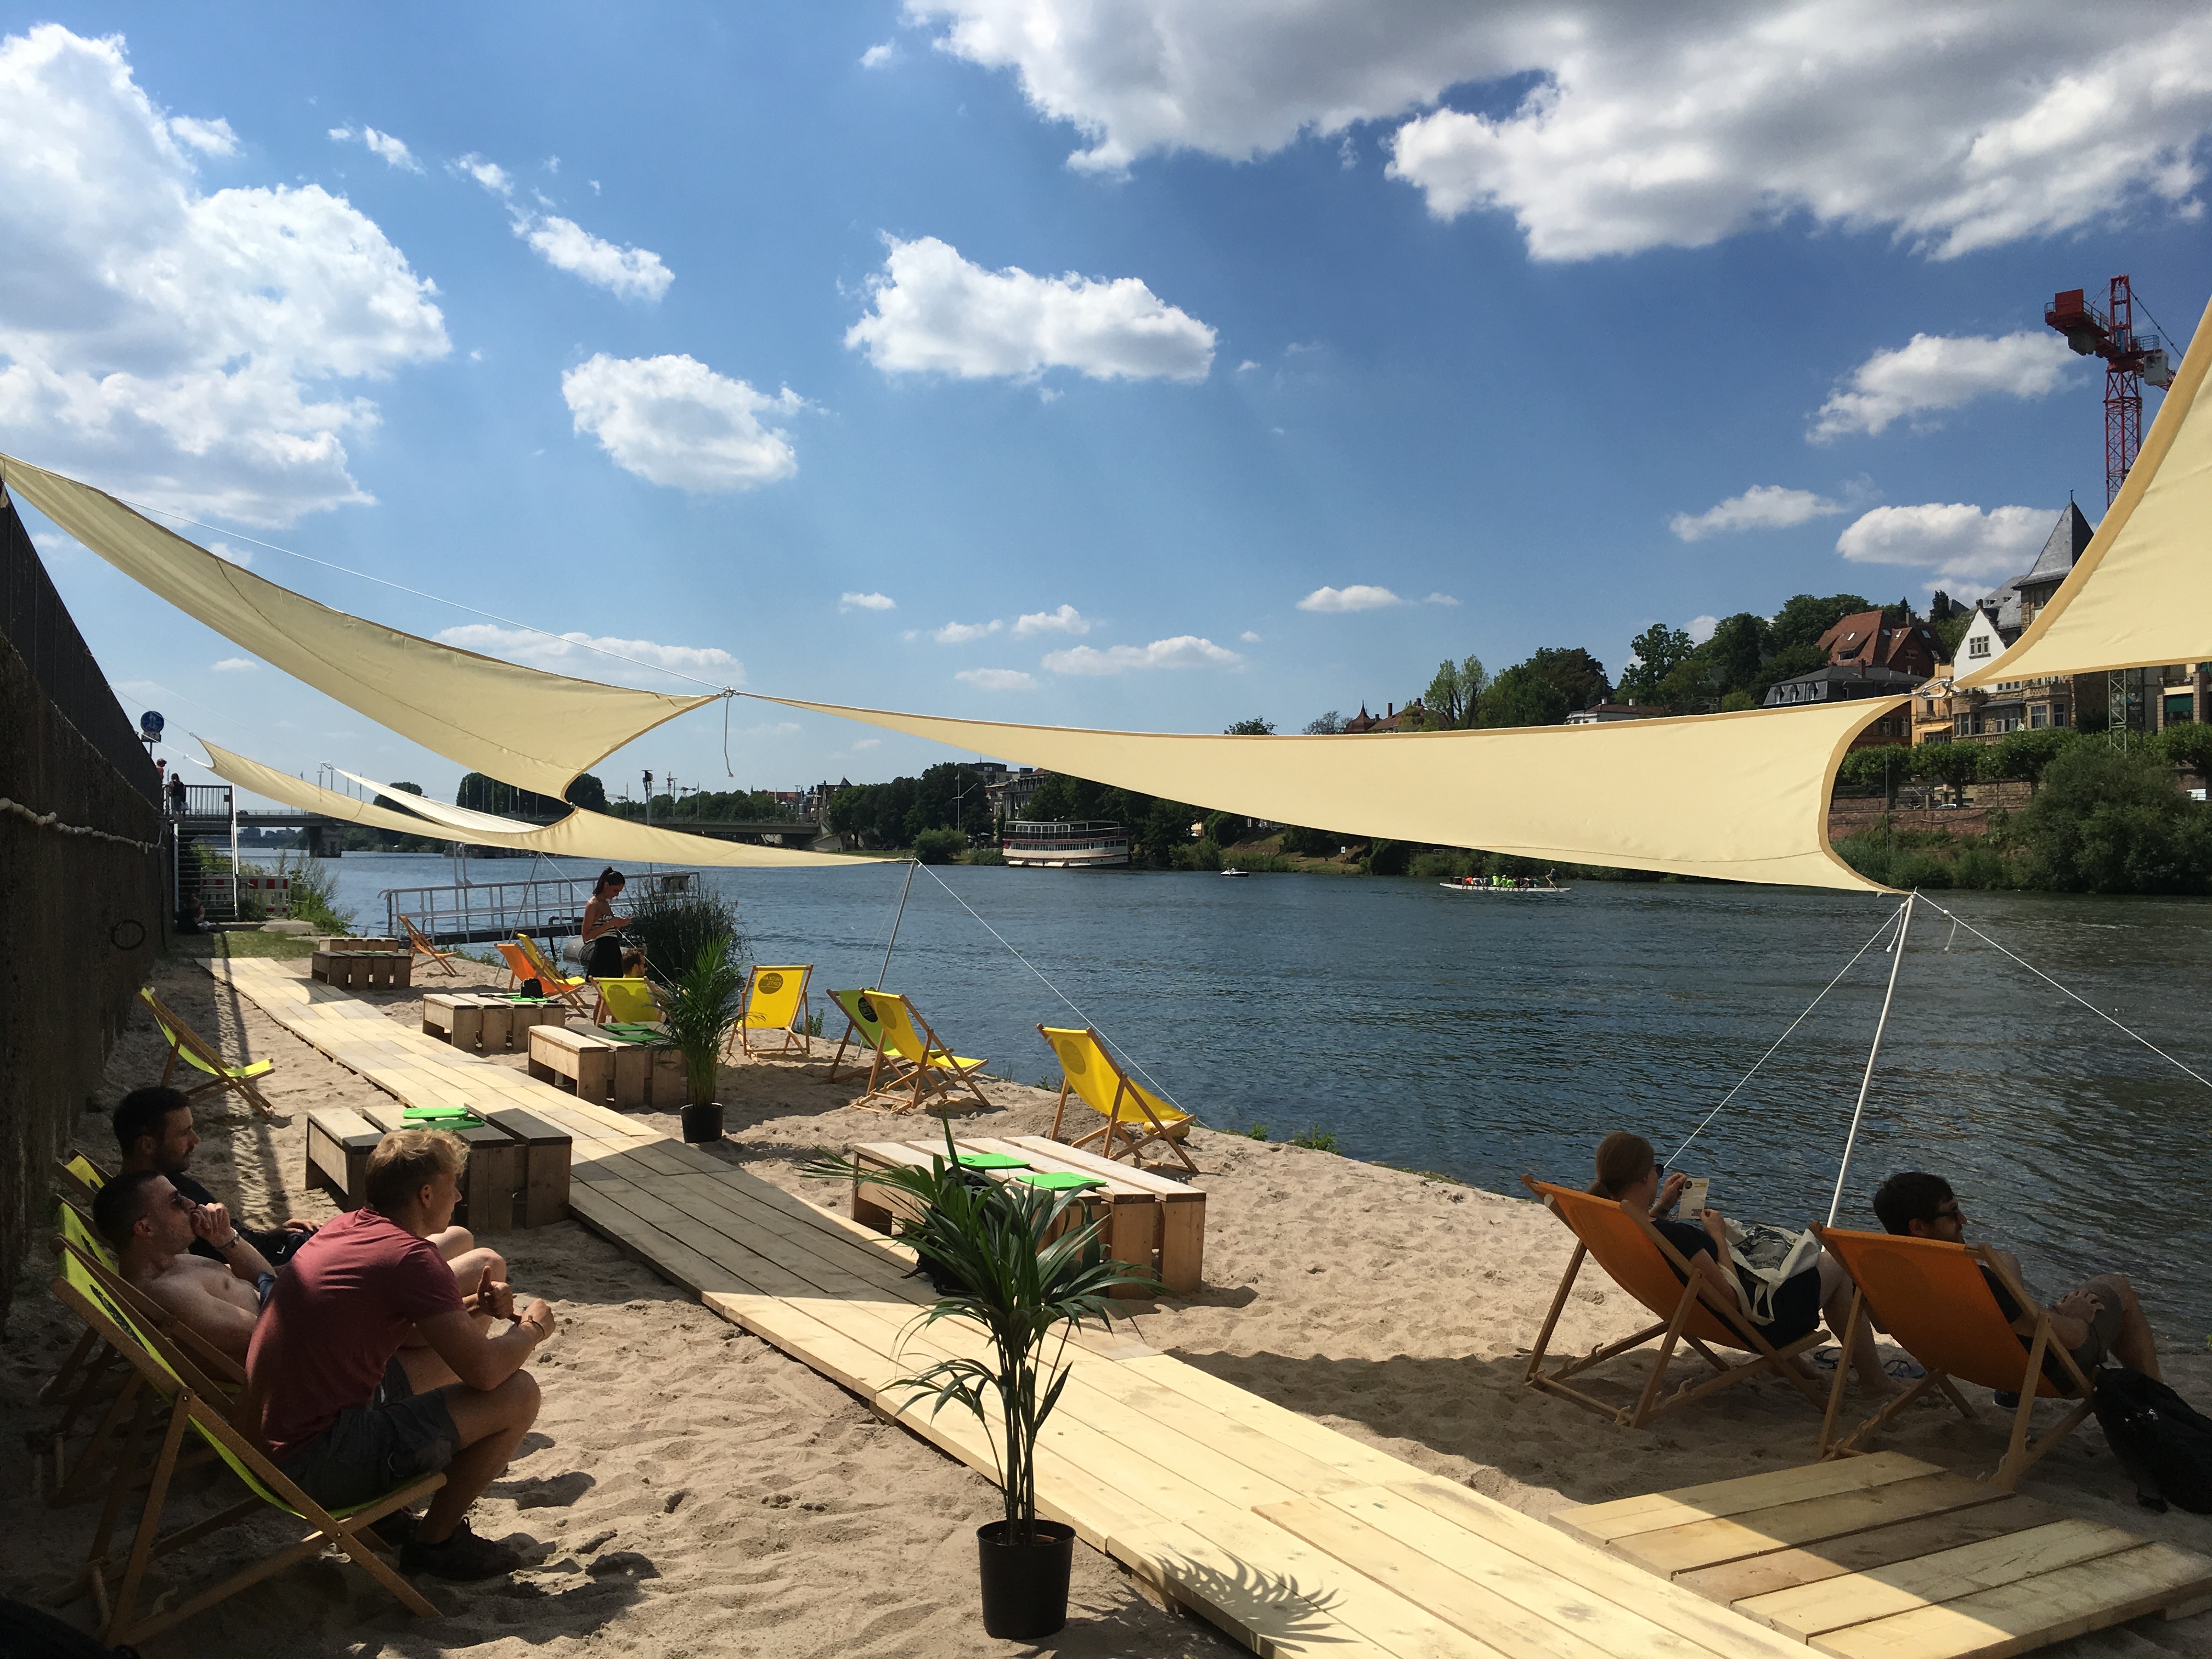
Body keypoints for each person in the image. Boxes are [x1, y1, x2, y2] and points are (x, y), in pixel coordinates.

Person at [246, 1130, 555, 1581]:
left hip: (262, 1440)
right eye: (453, 1184)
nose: (460, 1194)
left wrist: (472, 1308)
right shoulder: (409, 1257)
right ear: (426, 1194)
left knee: (453, 1358)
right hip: (315, 1463)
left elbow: (409, 1335)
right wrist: (531, 1330)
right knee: (518, 1392)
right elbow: (487, 1373)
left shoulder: (347, 1227)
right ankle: (436, 1544)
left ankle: (389, 1514)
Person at [1591, 1132, 1892, 1395]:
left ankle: (1792, 1363)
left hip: (1692, 1313)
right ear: (1645, 1177)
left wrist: (1664, 1206)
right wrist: (1718, 1236)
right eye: (1656, 1170)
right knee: (1837, 1265)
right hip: (1759, 1323)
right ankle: (1874, 1380)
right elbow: (1729, 1298)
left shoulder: (1617, 1225)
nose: (1659, 1175)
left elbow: (1652, 1229)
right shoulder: (1678, 1237)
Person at [1872, 1170, 2159, 1380]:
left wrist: (2038, 1312)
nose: (1963, 1220)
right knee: (2117, 1287)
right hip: (2029, 1371)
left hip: (1955, 1359)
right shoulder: (1971, 1281)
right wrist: (2076, 1315)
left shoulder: (1882, 1268)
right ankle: (2156, 1398)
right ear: (1919, 1227)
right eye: (1952, 1213)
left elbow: (1882, 1327)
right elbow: (2072, 1339)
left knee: (2005, 1259)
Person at [113, 1086, 319, 1266]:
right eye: (184, 1133)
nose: (196, 1140)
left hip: (276, 1248)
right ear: (147, 1145)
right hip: (281, 1265)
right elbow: (223, 1270)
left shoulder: (165, 1182)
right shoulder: (163, 1207)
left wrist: (272, 1233)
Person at [93, 1169, 273, 1361]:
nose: (190, 1203)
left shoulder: (176, 1263)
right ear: (146, 1228)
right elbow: (268, 1339)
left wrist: (225, 1238)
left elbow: (267, 1277)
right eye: (176, 1201)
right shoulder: (169, 1293)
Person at [579, 867, 630, 979]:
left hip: (613, 947)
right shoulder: (593, 905)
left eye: (619, 892)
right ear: (606, 885)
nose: (617, 895)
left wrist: (619, 924)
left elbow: (608, 930)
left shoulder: (605, 904)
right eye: (615, 890)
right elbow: (586, 936)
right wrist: (610, 923)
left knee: (615, 985)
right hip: (602, 949)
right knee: (601, 987)